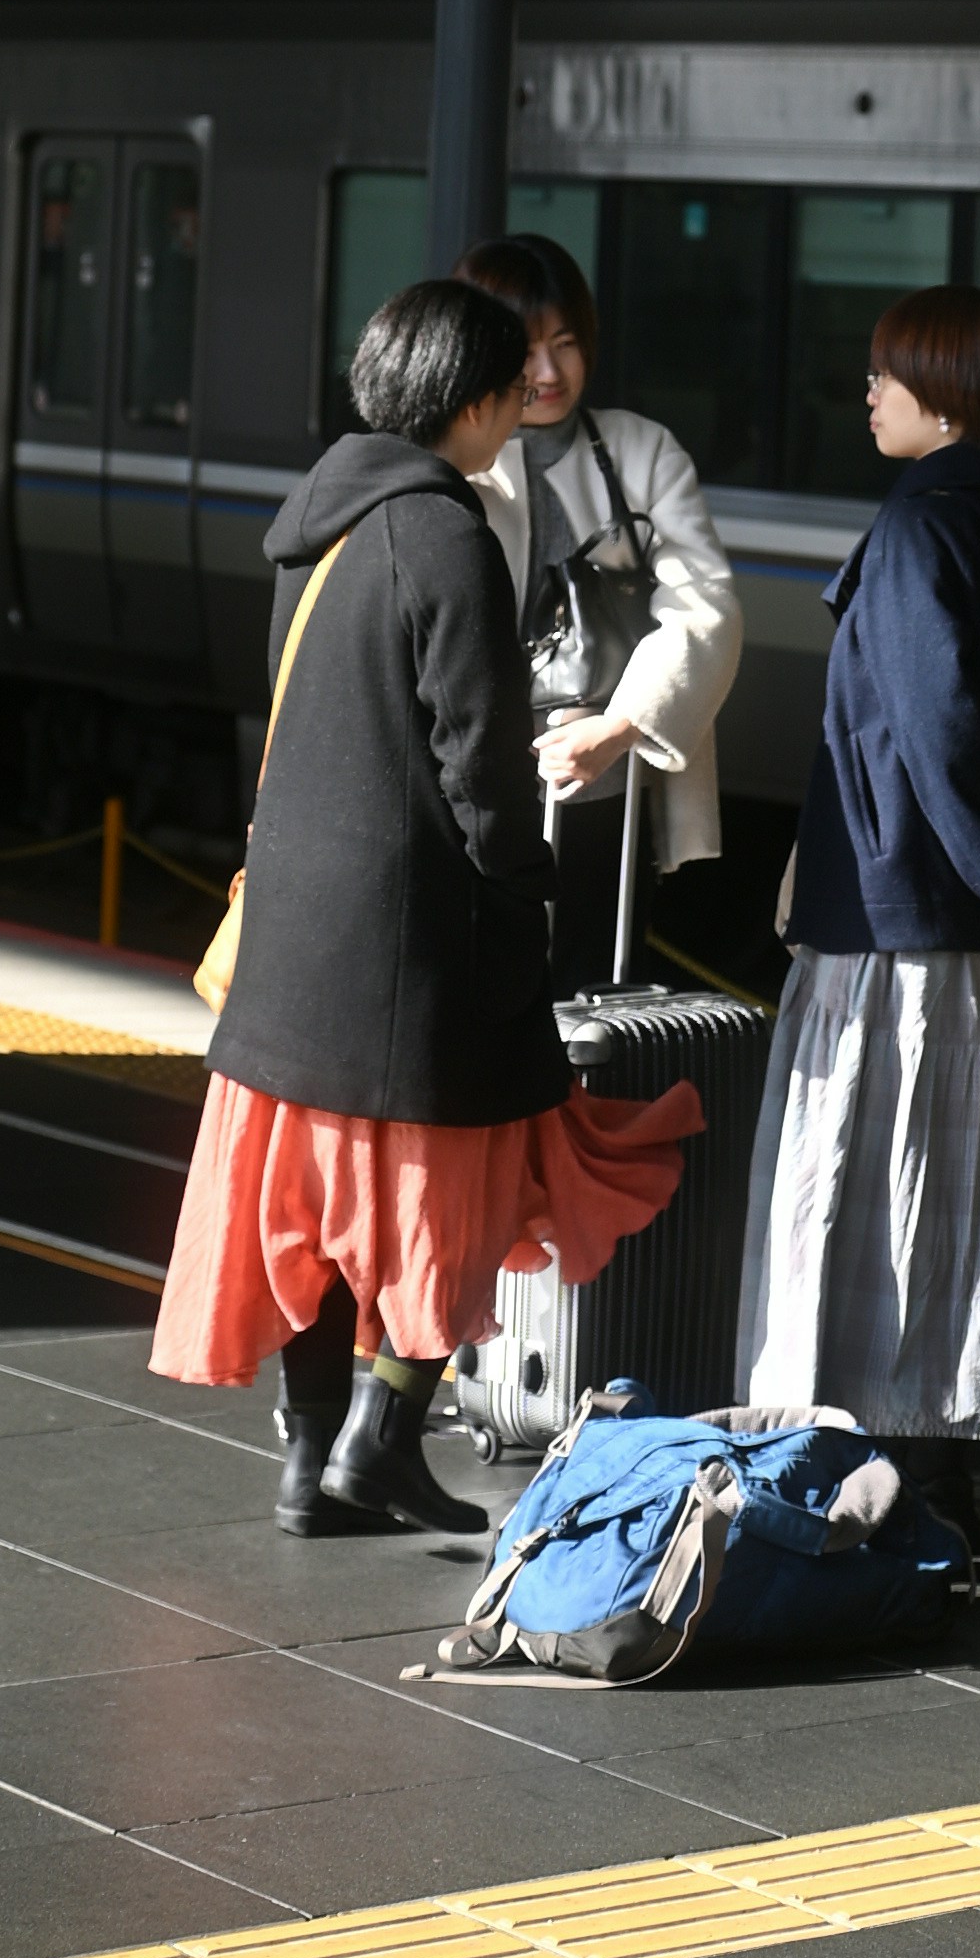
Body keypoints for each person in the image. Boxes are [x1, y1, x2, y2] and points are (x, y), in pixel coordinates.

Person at [152, 275, 699, 1534]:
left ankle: (309, 1467)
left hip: (298, 938)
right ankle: (379, 1442)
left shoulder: (320, 520)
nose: (520, 414)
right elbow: (479, 760)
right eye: (512, 392)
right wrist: (523, 891)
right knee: (444, 1206)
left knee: (310, 1217)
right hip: (413, 944)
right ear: (473, 398)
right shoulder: (445, 532)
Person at [734, 279, 980, 1515]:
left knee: (880, 1201)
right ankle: (950, 1461)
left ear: (948, 400)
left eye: (887, 375)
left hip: (907, 938)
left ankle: (887, 1471)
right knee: (977, 1210)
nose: (868, 394)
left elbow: (938, 740)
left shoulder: (915, 534)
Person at [458, 227, 744, 985]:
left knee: (592, 1001)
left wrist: (618, 730)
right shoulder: (449, 463)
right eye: (524, 347)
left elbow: (705, 604)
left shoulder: (641, 452)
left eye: (566, 342)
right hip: (472, 788)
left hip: (607, 790)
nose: (549, 371)